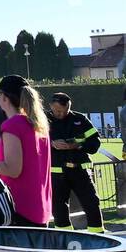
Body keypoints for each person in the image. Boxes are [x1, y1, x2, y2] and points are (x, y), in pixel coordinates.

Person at [0, 75, 52, 228]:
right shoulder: (37, 124)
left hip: (20, 207)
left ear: (4, 98)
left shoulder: (13, 125)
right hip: (40, 207)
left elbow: (13, 170)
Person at [48, 93, 104, 232]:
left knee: (91, 203)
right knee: (58, 208)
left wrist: (78, 145)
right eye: (57, 111)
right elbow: (33, 142)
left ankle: (99, 235)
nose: (60, 114)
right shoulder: (43, 120)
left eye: (64, 111)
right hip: (56, 173)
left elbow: (95, 143)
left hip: (80, 170)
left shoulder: (80, 119)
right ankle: (64, 238)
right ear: (50, 106)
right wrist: (51, 144)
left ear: (69, 107)